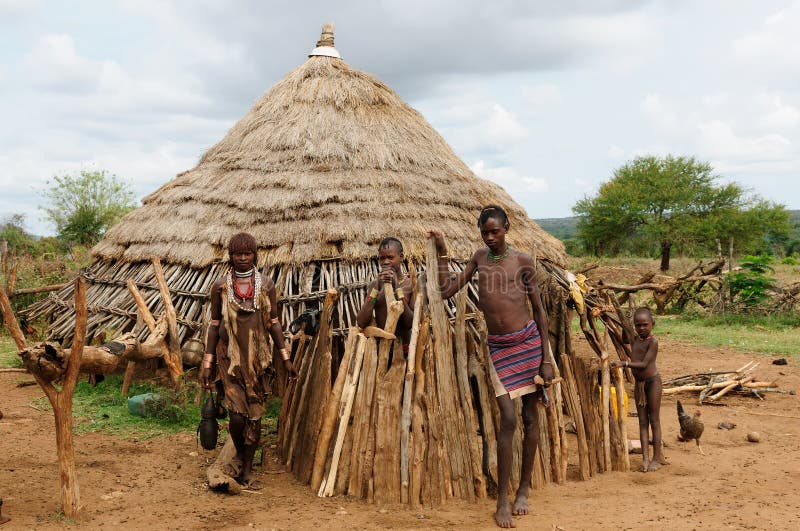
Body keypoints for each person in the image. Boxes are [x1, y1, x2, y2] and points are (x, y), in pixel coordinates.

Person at [428, 205, 553, 529]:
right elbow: (445, 291)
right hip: (498, 349)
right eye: (485, 232)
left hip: (527, 343)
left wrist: (546, 359)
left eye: (495, 231)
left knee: (529, 415)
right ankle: (502, 501)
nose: (490, 237)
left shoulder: (523, 260)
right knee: (508, 419)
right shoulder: (479, 258)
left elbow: (539, 311)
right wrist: (442, 253)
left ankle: (523, 490)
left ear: (507, 228)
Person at [200, 232, 297, 489]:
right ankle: (241, 457)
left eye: (247, 253)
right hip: (229, 361)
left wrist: (285, 357)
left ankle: (247, 470)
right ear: (230, 256)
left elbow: (274, 323)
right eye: (237, 254)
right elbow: (214, 326)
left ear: (255, 255)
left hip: (257, 363)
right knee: (237, 418)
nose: (242, 258)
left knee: (254, 418)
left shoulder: (266, 285)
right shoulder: (220, 287)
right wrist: (207, 363)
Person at [611, 307, 665, 472]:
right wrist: (625, 321)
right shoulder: (635, 340)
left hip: (653, 383)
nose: (641, 328)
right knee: (642, 422)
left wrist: (624, 363)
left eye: (645, 324)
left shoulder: (652, 342)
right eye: (638, 325)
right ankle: (645, 459)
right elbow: (624, 338)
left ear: (652, 324)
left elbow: (643, 364)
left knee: (654, 421)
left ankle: (656, 458)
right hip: (639, 385)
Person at [355, 237, 415, 351]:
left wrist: (396, 287)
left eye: (390, 257)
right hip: (381, 350)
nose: (386, 262)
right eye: (382, 258)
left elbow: (409, 323)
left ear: (401, 257)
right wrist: (377, 287)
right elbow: (361, 321)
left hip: (404, 351)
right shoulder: (375, 286)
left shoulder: (410, 285)